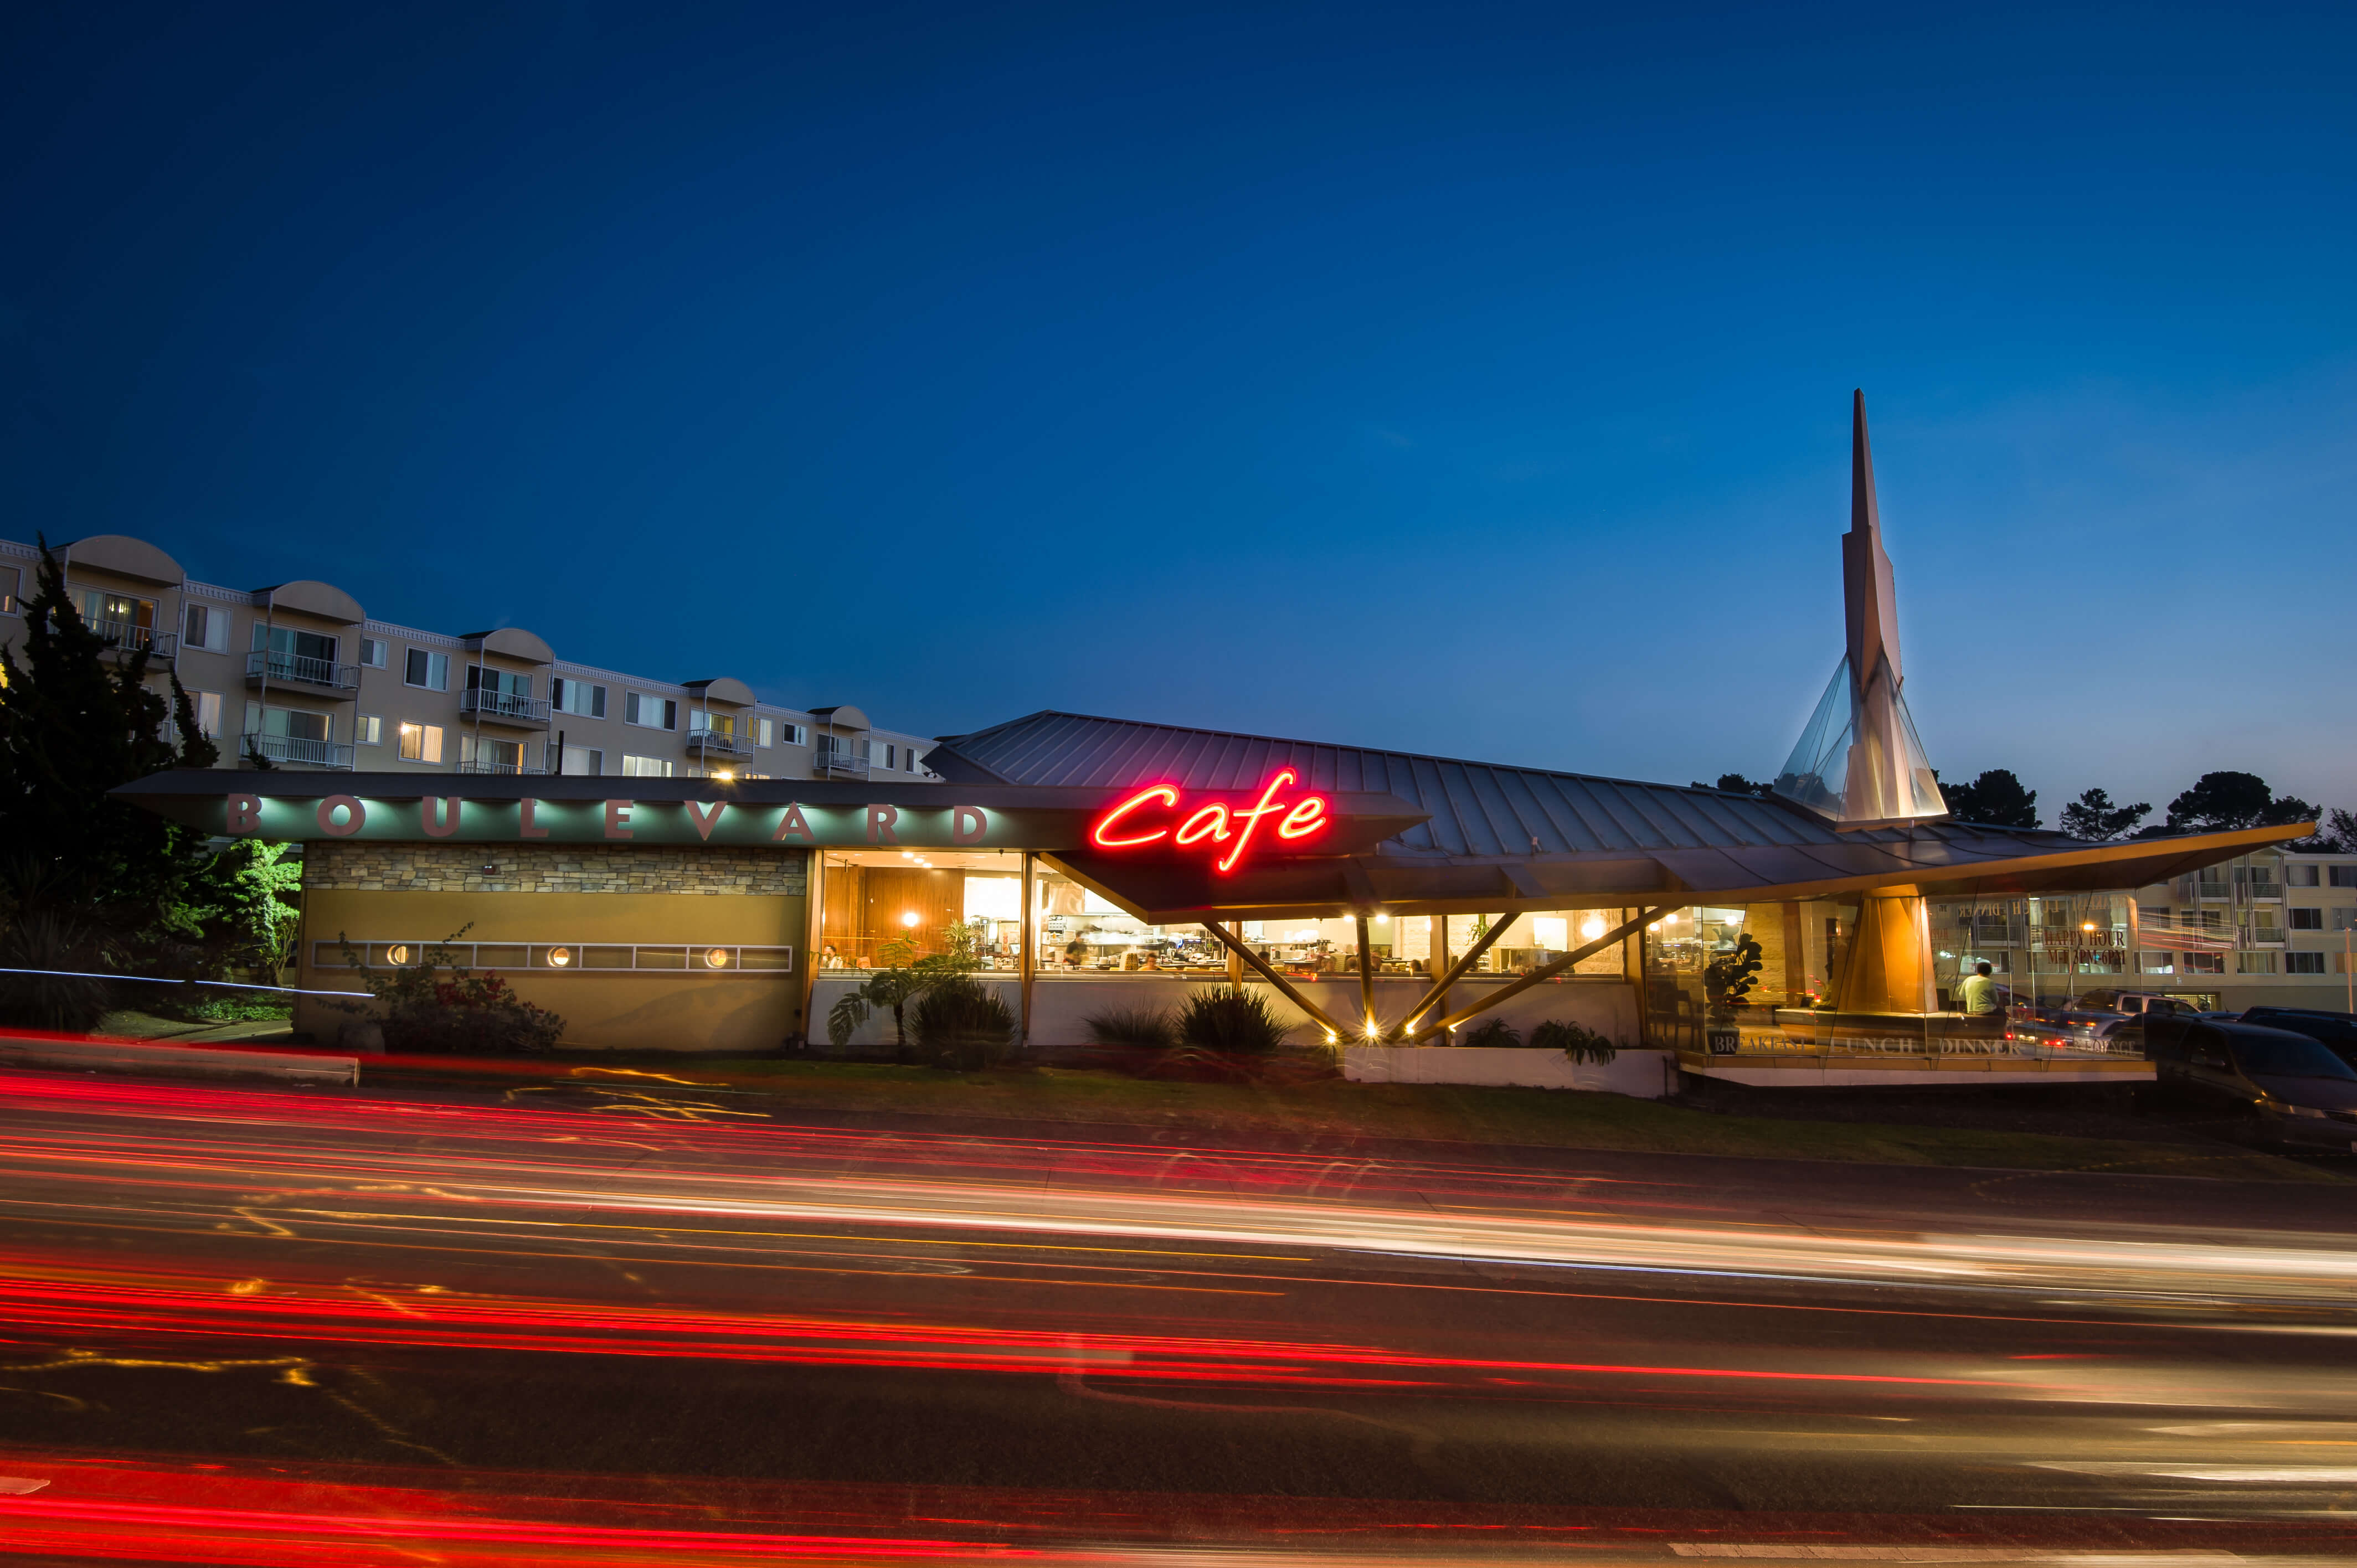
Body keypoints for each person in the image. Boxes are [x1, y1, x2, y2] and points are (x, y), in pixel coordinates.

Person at [1957, 961, 2003, 1034]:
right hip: (1986, 1011)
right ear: (1990, 972)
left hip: (1971, 1010)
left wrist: (1971, 999)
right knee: (2002, 1013)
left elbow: (1961, 994)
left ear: (1977, 970)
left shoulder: (1969, 979)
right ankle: (2001, 1035)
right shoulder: (1989, 982)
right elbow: (1996, 1000)